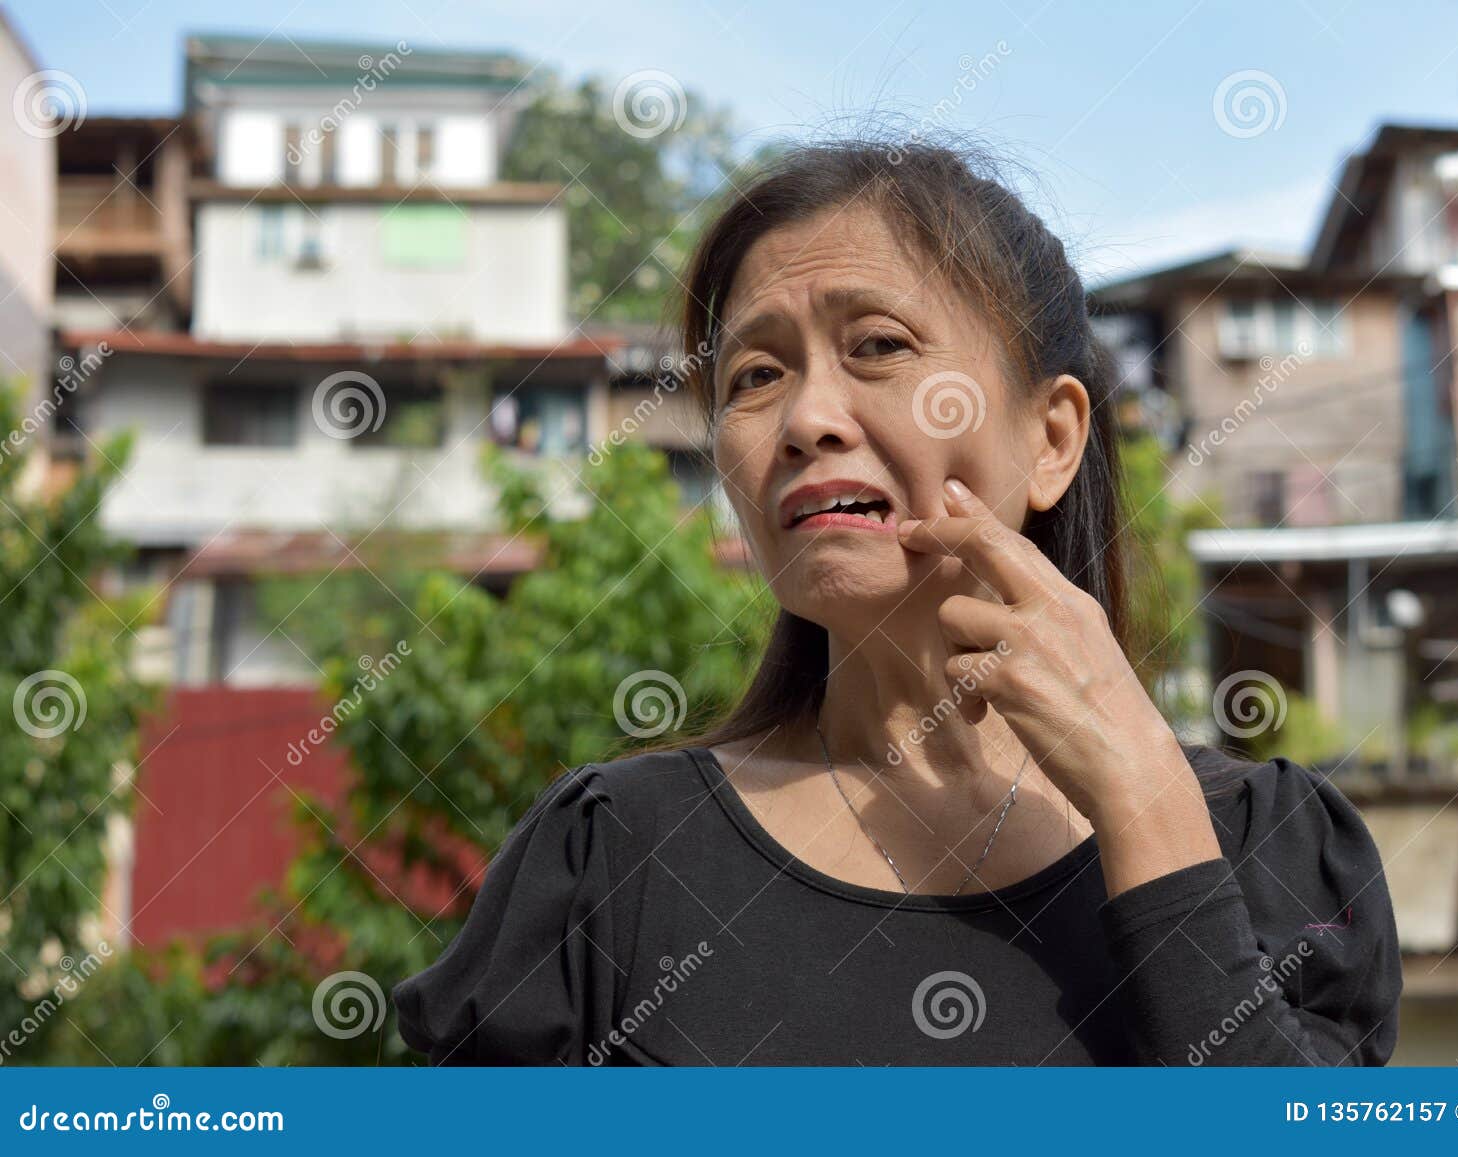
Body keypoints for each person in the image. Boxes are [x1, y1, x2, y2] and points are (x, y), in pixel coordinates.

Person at [393, 138, 1403, 1066]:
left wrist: (1144, 800)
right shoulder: (609, 862)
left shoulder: (1269, 849)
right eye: (754, 373)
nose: (805, 419)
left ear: (1050, 438)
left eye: (876, 346)